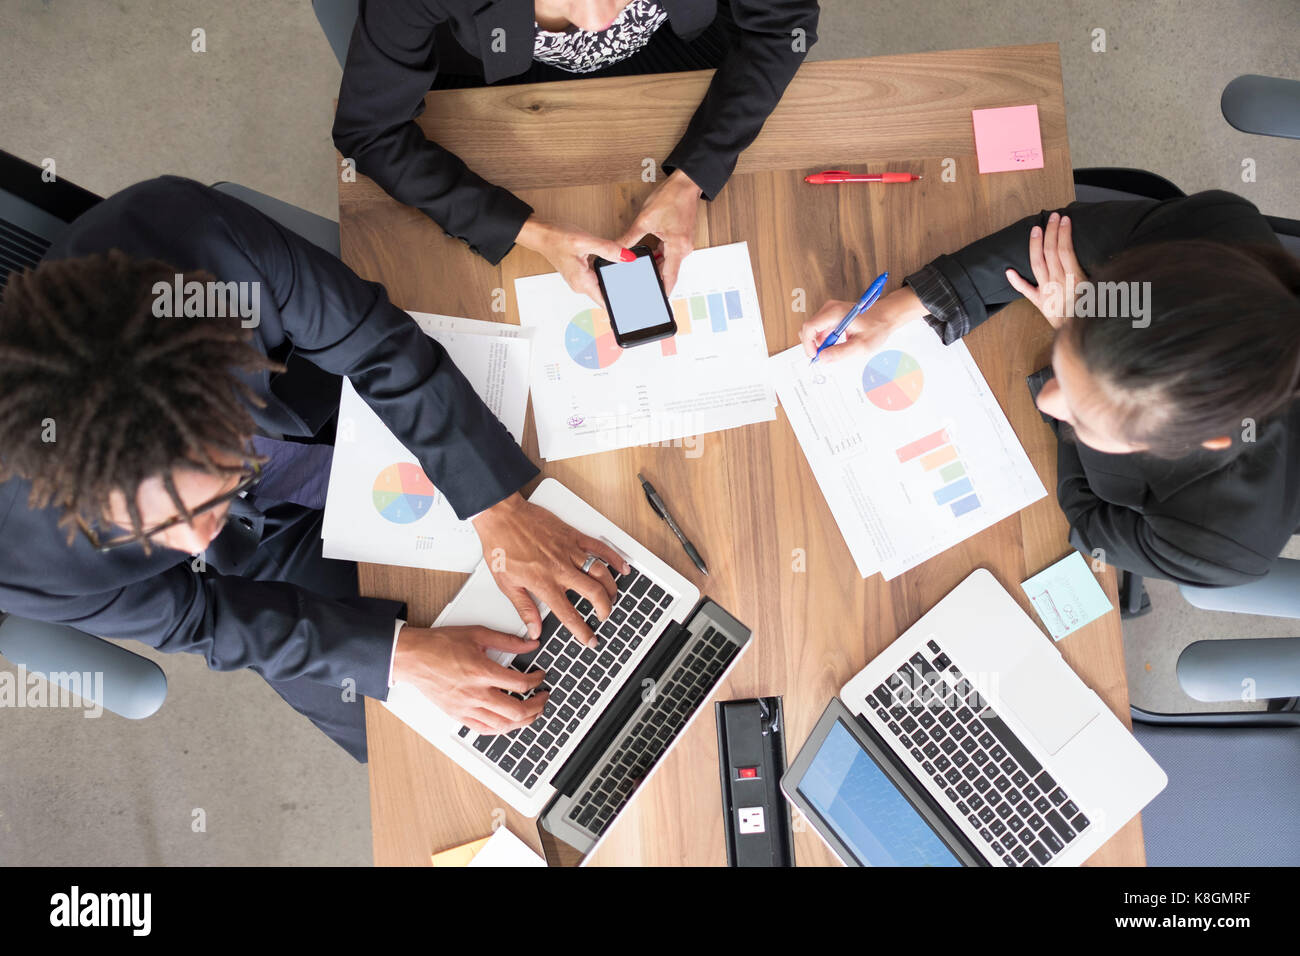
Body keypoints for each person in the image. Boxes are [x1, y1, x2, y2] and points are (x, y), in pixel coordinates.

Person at [0, 176, 631, 762]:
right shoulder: (21, 561)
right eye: (154, 526)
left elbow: (378, 344)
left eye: (202, 496)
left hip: (321, 403)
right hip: (263, 543)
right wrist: (399, 654)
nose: (193, 542)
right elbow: (201, 615)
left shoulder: (199, 243)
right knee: (433, 746)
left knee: (588, 475)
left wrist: (497, 505)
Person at [800, 190, 1300, 587]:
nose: (1046, 401)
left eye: (1083, 415)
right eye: (1067, 365)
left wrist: (1072, 326)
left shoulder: (1218, 546)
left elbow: (1090, 522)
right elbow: (1053, 246)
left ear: (1197, 440)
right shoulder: (1212, 235)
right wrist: (889, 314)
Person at [332, 0, 819, 301]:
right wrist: (531, 232)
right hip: (491, 78)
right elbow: (371, 132)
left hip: (670, 50)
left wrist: (693, 175)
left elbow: (784, 24)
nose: (601, 18)